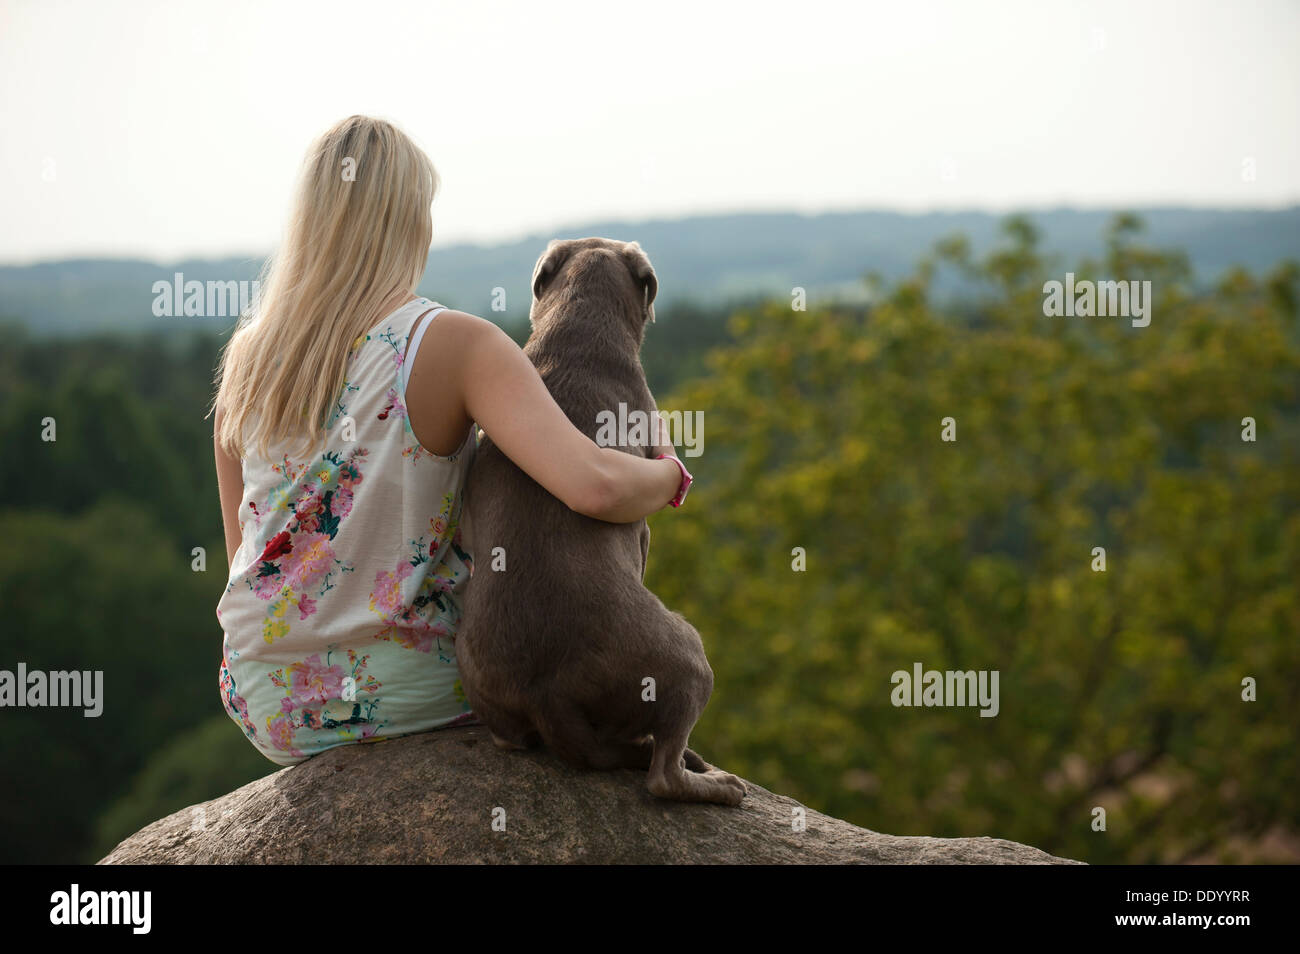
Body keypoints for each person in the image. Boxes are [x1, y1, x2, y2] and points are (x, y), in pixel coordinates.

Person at [209, 115, 685, 766]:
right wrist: (668, 477)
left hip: (259, 693)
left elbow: (248, 557)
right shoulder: (453, 343)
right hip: (398, 688)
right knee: (548, 671)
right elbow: (595, 487)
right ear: (411, 221)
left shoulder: (248, 356)